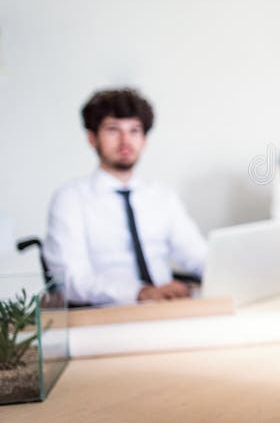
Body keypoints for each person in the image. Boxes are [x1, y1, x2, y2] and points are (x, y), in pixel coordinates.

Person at [44, 88, 207, 305]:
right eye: (113, 130)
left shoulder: (162, 196)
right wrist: (139, 293)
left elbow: (197, 255)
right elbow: (70, 280)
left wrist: (233, 271)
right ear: (92, 138)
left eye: (134, 131)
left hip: (167, 308)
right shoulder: (70, 200)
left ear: (145, 139)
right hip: (107, 315)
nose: (125, 141)